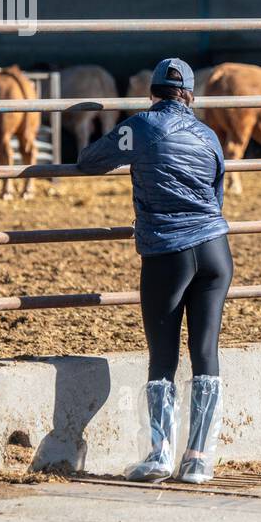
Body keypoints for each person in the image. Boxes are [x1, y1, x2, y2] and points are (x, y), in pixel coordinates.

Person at [77, 57, 232, 481]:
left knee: (163, 356)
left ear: (152, 92)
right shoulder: (209, 135)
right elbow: (217, 193)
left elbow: (90, 159)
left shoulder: (141, 126)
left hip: (168, 252)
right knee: (205, 352)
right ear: (190, 96)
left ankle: (161, 453)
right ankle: (199, 457)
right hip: (216, 251)